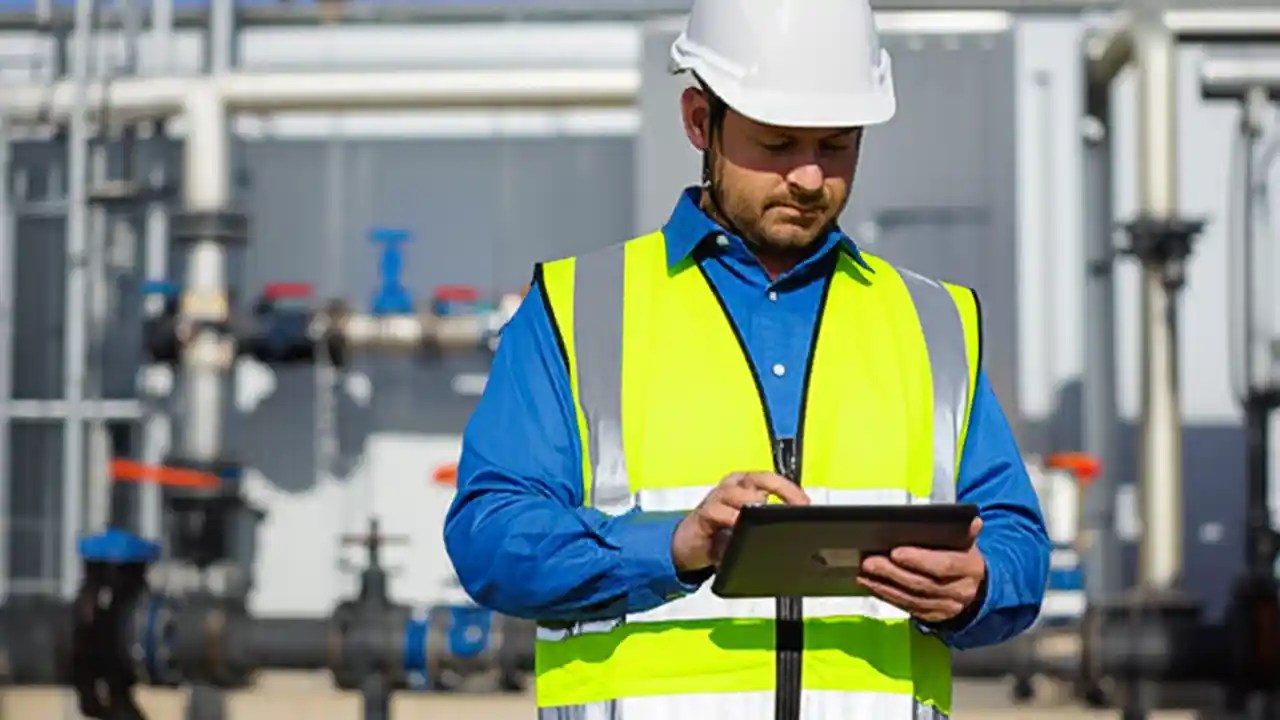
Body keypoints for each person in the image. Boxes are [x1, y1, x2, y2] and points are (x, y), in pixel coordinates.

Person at [444, 0, 1051, 717]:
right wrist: (673, 546)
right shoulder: (577, 309)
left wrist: (979, 586)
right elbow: (490, 537)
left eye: (836, 144)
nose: (808, 177)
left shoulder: (933, 321)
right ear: (700, 120)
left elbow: (1016, 539)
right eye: (778, 142)